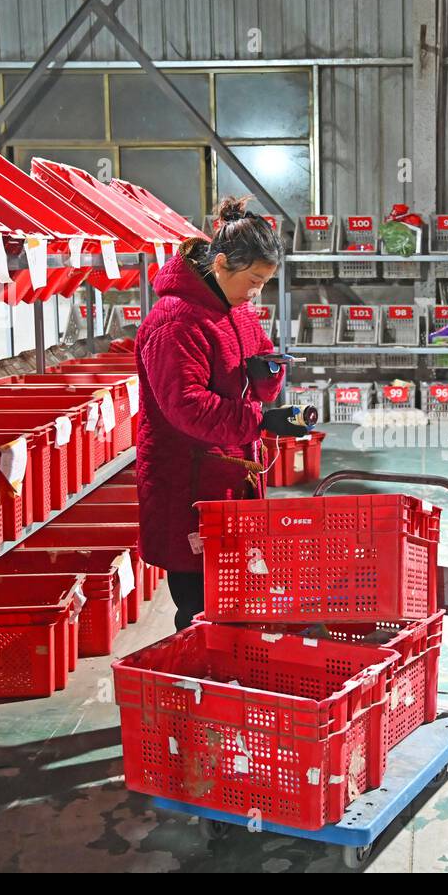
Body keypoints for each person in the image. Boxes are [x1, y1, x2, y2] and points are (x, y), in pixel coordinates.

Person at [135, 196, 310, 629]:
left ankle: (230, 677)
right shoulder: (175, 322)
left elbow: (260, 356)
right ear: (220, 265)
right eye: (253, 279)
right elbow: (186, 406)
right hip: (187, 481)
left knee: (234, 592)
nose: (256, 292)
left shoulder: (238, 310)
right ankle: (199, 683)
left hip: (229, 472)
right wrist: (259, 421)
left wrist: (268, 375)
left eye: (265, 282)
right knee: (198, 603)